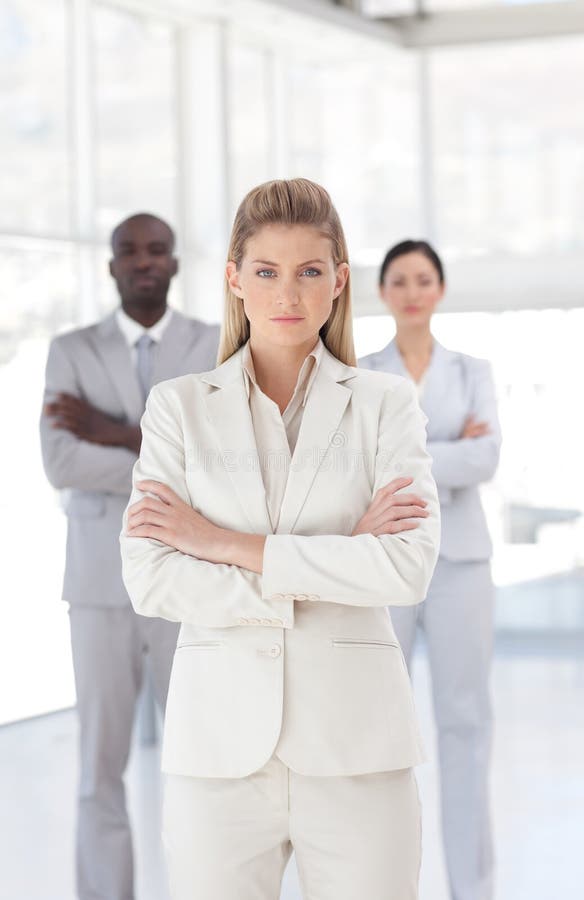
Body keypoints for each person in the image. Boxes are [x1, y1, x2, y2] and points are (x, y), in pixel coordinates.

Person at [120, 179, 440, 900]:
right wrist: (338, 559)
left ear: (339, 282)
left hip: (358, 747)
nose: (286, 293)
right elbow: (152, 578)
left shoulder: (386, 404)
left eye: (309, 271)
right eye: (265, 271)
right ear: (235, 279)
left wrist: (220, 541)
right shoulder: (177, 409)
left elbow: (407, 568)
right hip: (218, 751)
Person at [40, 212, 219, 900]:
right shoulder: (70, 349)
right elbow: (60, 459)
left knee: (202, 764)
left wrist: (114, 431)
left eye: (157, 250)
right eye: (128, 251)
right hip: (98, 586)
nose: (143, 261)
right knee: (98, 769)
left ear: (174, 263)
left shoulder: (212, 345)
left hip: (188, 579)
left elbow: (217, 460)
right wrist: (162, 457)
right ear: (111, 265)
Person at [360, 239, 501, 900]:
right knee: (383, 722)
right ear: (383, 292)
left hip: (462, 563)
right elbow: (361, 469)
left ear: (439, 289)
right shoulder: (360, 373)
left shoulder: (474, 371)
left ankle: (474, 887)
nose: (412, 291)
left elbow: (487, 459)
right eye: (399, 280)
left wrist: (411, 462)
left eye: (424, 279)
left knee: (466, 721)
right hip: (390, 559)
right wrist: (450, 453)